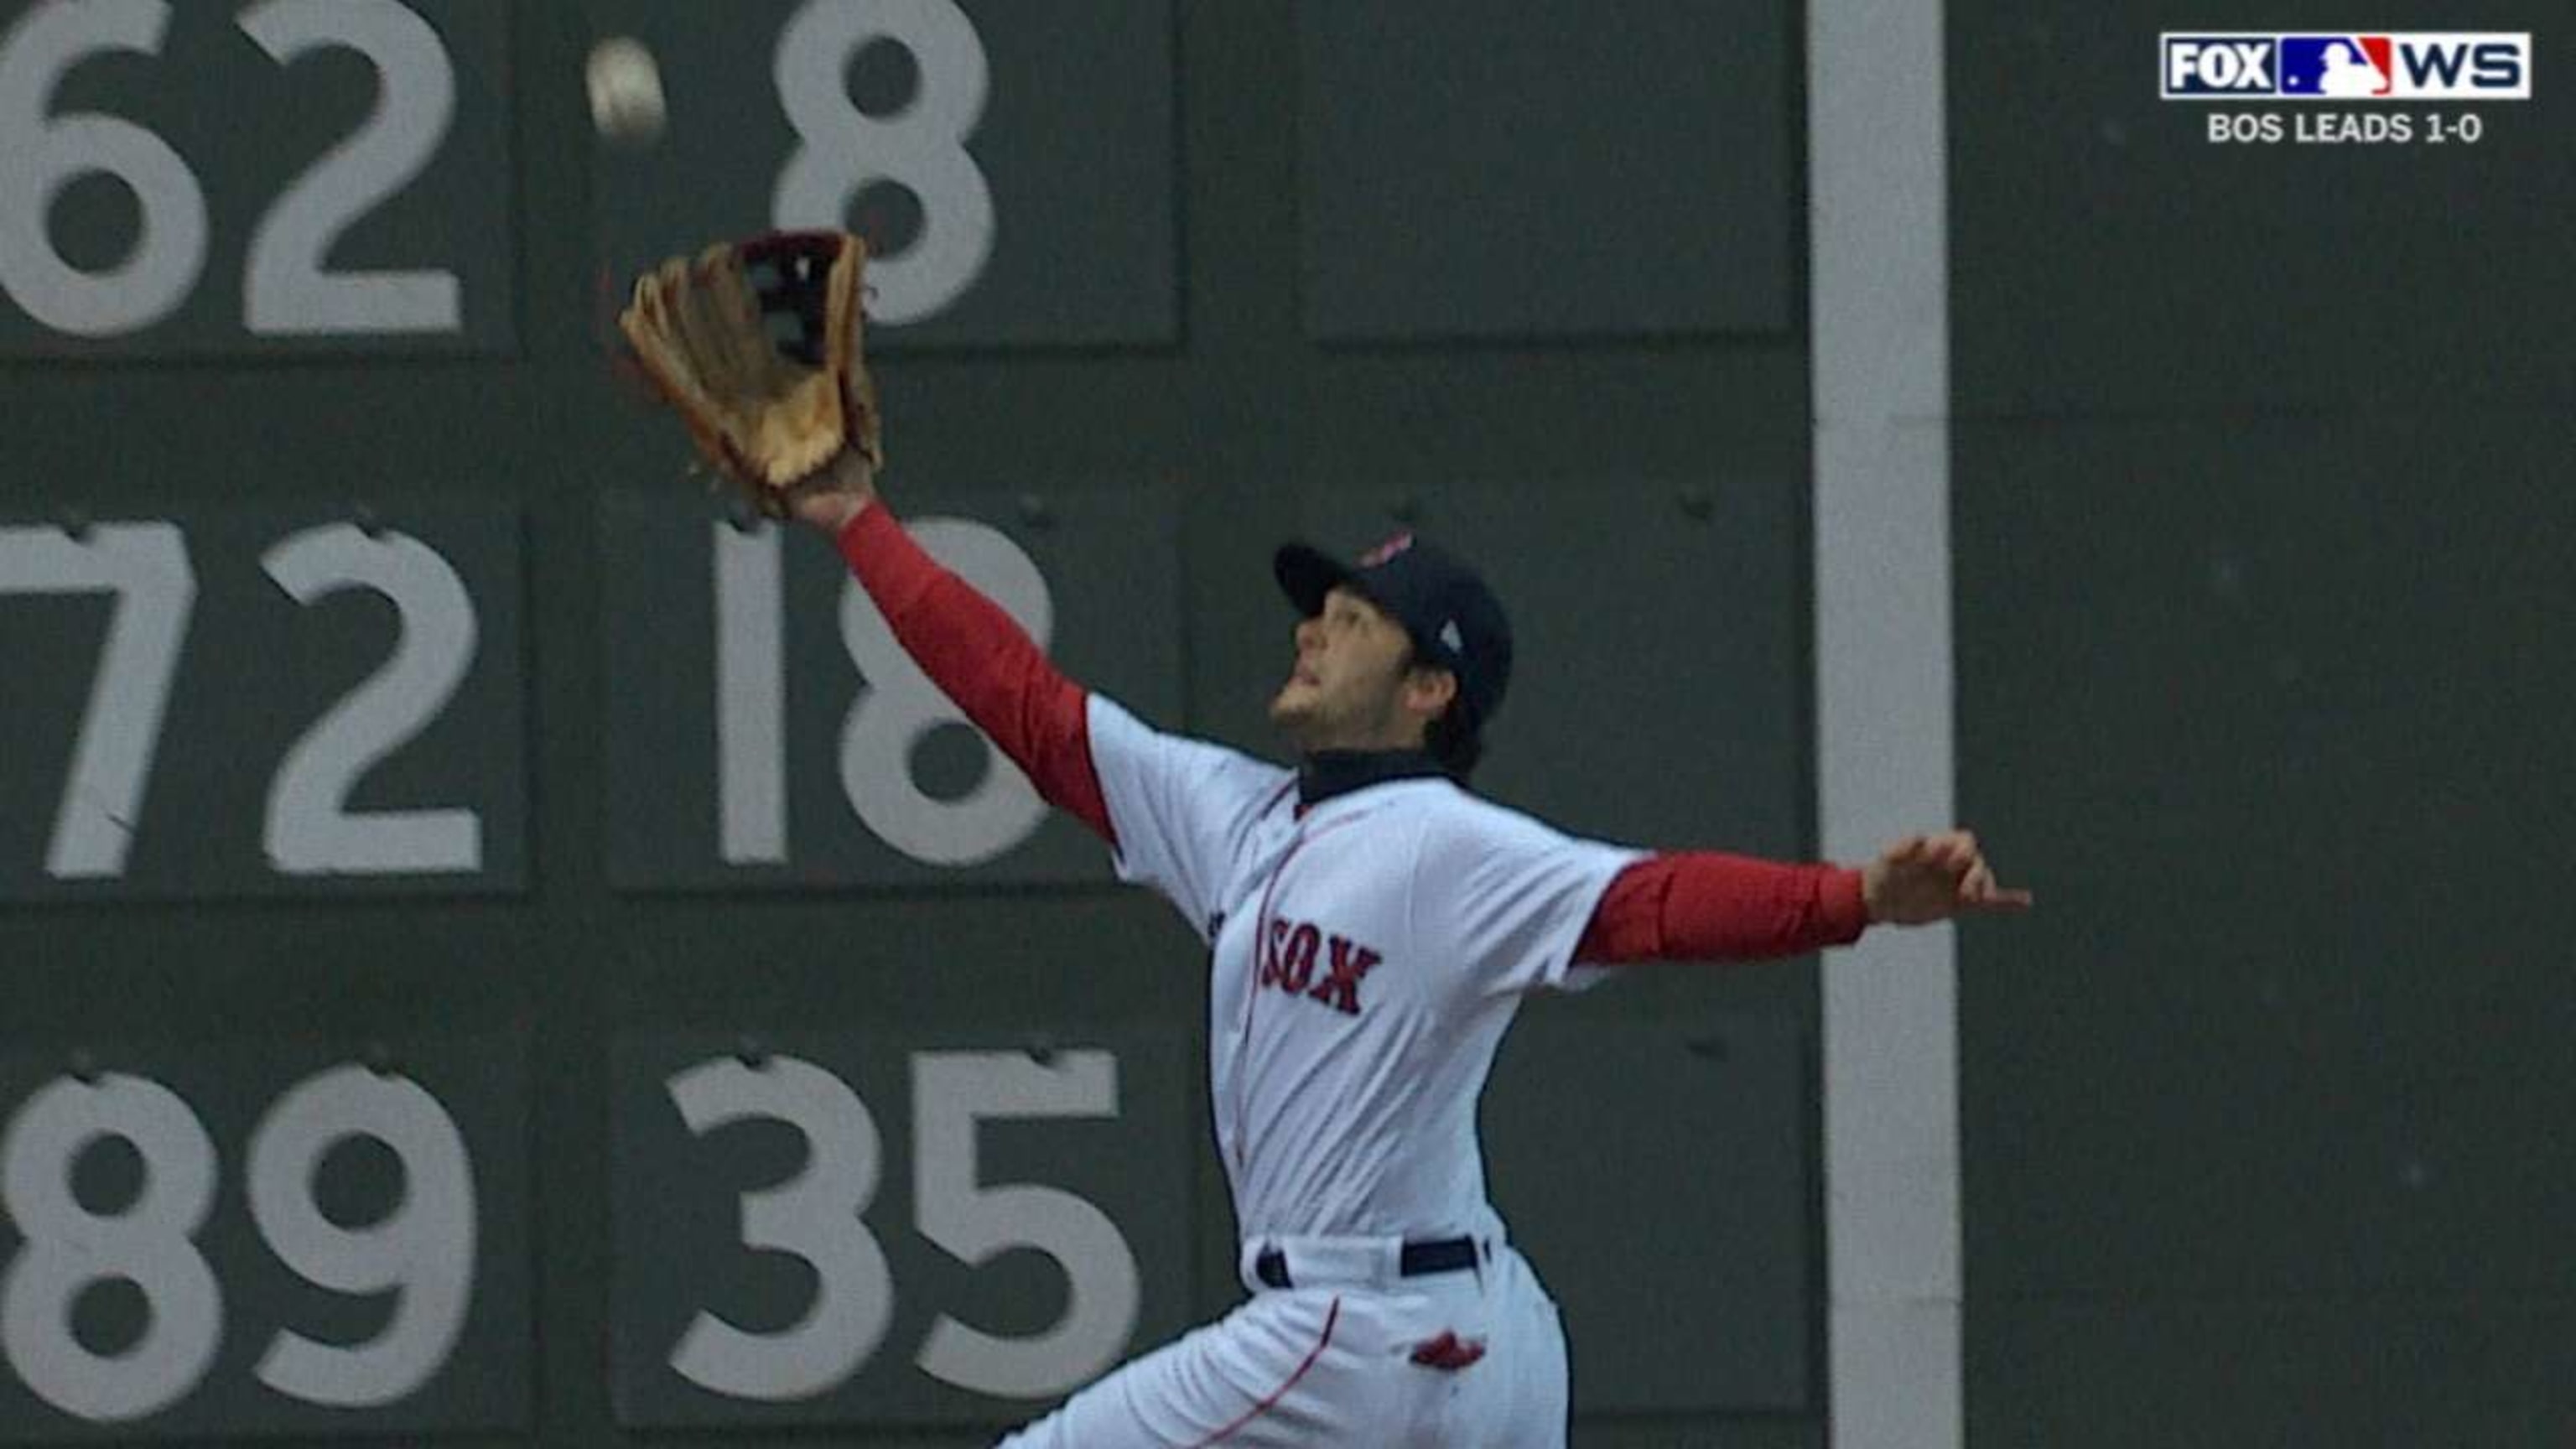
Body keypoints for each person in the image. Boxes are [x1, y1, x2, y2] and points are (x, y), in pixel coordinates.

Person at [783, 449, 2028, 1447]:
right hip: (1473, 1335)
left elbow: (1647, 904)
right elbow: (1028, 709)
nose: (1312, 632)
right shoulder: (1234, 816)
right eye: (1317, 612)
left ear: (1432, 689)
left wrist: (1853, 897)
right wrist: (859, 522)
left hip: (1367, 1337)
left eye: (1353, 619)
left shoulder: (1443, 848)